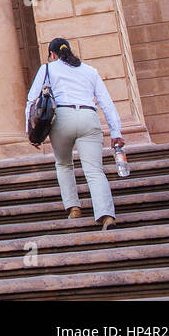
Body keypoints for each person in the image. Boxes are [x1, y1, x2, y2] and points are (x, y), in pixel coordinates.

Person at [26, 37, 123, 229]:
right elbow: (106, 102)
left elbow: (32, 100)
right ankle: (106, 215)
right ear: (69, 51)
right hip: (89, 116)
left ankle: (73, 208)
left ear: (52, 54)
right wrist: (115, 132)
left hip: (63, 117)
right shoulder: (90, 71)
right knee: (95, 170)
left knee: (63, 164)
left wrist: (31, 132)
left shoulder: (48, 68)